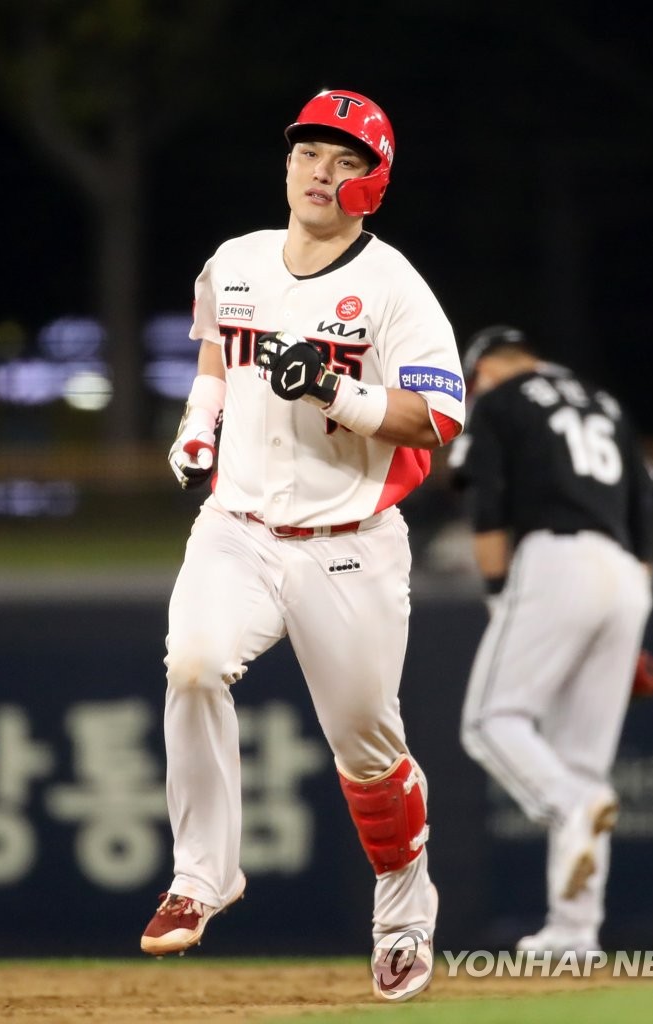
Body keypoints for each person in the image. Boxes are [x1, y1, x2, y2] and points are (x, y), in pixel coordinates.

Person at [140, 89, 465, 1003]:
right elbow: (216, 353)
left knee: (368, 749)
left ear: (374, 184)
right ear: (286, 166)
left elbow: (437, 417)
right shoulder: (236, 262)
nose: (322, 171)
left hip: (348, 541)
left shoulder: (395, 287)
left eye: (347, 159)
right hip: (237, 527)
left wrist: (342, 391)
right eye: (309, 153)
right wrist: (198, 424)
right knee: (194, 664)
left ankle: (404, 909)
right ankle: (202, 876)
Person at [449, 324, 653, 957]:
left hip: (555, 561)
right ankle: (574, 932)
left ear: (484, 370)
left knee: (491, 720)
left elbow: (487, 505)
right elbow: (645, 517)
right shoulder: (604, 401)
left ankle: (568, 805)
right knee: (584, 760)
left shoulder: (500, 400)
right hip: (626, 577)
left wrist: (497, 596)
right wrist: (630, 627)